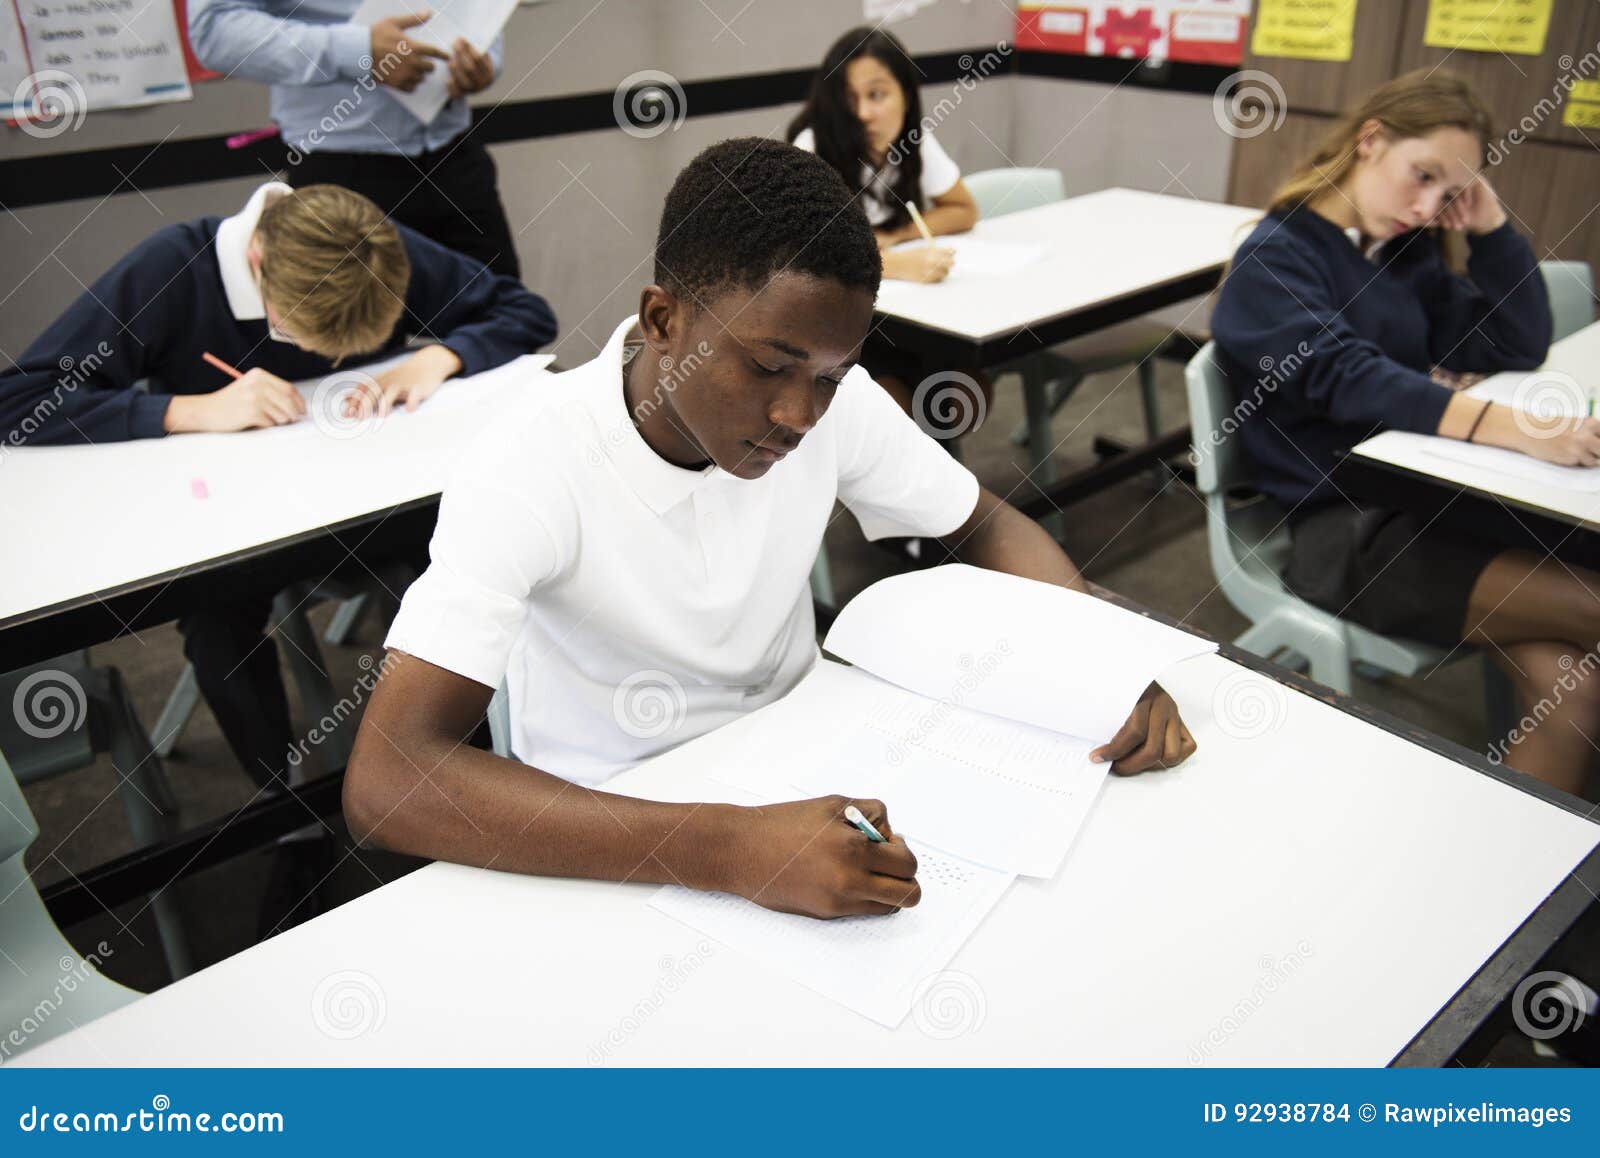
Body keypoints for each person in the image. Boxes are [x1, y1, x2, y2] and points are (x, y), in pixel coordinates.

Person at [343, 138, 1196, 921]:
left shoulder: (829, 402)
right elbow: (387, 784)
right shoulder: (529, 462)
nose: (799, 414)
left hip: (802, 762)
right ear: (664, 320)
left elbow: (984, 522)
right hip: (610, 822)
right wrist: (726, 850)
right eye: (766, 366)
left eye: (831, 376)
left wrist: (1099, 663)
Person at [0, 181, 556, 790]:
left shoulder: (367, 249)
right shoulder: (172, 269)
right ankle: (283, 800)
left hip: (367, 491)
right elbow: (20, 400)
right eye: (297, 335)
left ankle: (476, 766)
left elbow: (524, 311)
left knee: (461, 564)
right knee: (216, 627)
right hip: (234, 517)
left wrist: (441, 357)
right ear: (256, 261)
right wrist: (189, 410)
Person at [1212, 69, 1597, 797]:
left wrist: (1489, 228)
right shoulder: (1275, 257)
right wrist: (1512, 428)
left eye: (1448, 193)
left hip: (1432, 500)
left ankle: (1524, 865)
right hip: (1343, 530)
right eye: (1422, 176)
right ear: (1370, 140)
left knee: (1573, 693)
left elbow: (1515, 345)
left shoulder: (1402, 251)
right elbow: (1345, 374)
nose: (1426, 208)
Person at [189, 0, 522, 278]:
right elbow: (216, 30)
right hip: (339, 175)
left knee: (509, 323)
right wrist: (358, 50)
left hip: (453, 156)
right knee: (350, 336)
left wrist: (484, 58)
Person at [788, 26, 987, 432]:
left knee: (964, 397)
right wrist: (893, 265)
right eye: (850, 99)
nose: (863, 113)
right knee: (892, 408)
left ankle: (929, 465)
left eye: (877, 95)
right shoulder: (813, 145)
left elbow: (963, 209)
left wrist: (896, 237)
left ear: (906, 95)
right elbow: (804, 253)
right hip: (841, 326)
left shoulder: (913, 141)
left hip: (913, 317)